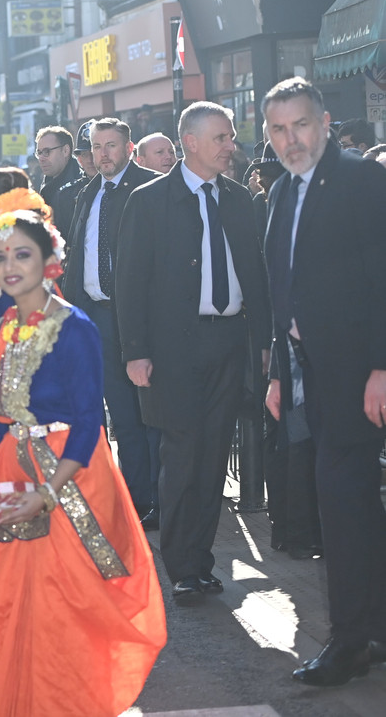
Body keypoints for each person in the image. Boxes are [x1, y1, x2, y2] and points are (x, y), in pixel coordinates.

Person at [0, 207, 166, 717]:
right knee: (0, 605)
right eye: (1, 257)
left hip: (69, 476)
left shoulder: (74, 327)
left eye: (24, 255)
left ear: (50, 261)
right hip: (4, 471)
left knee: (62, 602)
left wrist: (46, 493)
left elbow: (88, 425)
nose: (11, 266)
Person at [115, 102, 270, 603]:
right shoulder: (149, 200)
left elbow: (257, 277)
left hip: (228, 344)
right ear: (192, 142)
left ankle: (201, 563)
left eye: (230, 137)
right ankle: (182, 566)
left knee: (211, 458)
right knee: (181, 455)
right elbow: (130, 282)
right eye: (221, 137)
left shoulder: (239, 199)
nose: (231, 145)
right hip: (172, 349)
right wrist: (135, 351)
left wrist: (263, 346)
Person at [261, 77, 386, 686]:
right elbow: (282, 289)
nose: (293, 139)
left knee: (341, 505)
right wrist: (280, 374)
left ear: (326, 121)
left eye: (301, 125)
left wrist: (381, 369)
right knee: (352, 503)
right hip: (313, 376)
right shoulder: (283, 191)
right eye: (280, 130)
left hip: (362, 376)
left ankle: (349, 640)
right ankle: (372, 629)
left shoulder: (364, 180)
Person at [63, 117, 161, 527]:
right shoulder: (88, 192)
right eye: (97, 146)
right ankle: (136, 500)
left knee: (149, 415)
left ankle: (157, 498)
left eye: (111, 145)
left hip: (139, 319)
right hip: (95, 317)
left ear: (129, 147)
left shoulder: (150, 189)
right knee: (120, 415)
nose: (103, 153)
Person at [35, 126, 83, 236]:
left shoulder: (79, 188)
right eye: (39, 152)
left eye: (47, 152)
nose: (41, 158)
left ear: (66, 151)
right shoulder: (47, 185)